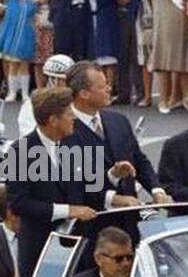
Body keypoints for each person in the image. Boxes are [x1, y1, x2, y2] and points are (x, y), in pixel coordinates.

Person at [5, 86, 101, 277]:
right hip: (39, 250)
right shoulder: (21, 151)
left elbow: (89, 188)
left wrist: (113, 179)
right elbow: (19, 203)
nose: (73, 118)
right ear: (53, 120)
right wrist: (68, 210)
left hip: (77, 248)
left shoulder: (75, 145)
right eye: (69, 114)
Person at [65, 60, 168, 207]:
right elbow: (73, 182)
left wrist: (156, 189)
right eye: (102, 87)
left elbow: (138, 159)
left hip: (130, 217)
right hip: (93, 218)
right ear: (84, 93)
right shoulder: (64, 130)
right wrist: (112, 192)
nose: (109, 89)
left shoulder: (118, 120)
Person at [19, 53, 74, 135]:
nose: (71, 84)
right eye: (66, 80)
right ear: (53, 80)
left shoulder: (76, 103)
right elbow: (29, 134)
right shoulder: (32, 105)